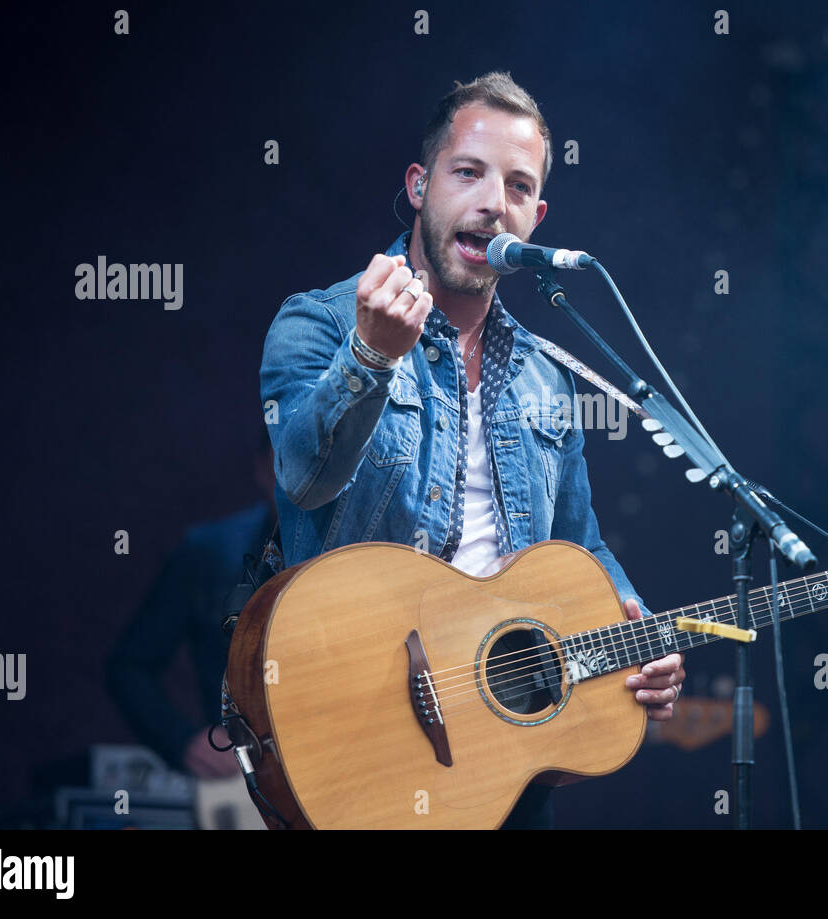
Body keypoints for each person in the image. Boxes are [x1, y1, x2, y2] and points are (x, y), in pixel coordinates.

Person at [259, 71, 684, 828]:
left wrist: (639, 629)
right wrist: (370, 357)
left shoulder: (550, 374)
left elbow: (580, 545)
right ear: (420, 186)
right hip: (364, 727)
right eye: (469, 173)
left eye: (519, 186)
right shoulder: (320, 322)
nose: (494, 201)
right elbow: (304, 479)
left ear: (537, 216)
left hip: (508, 735)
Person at [106, 431, 277, 781]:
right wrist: (182, 741)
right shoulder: (207, 552)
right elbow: (129, 666)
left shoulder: (358, 556)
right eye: (293, 459)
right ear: (263, 467)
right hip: (242, 787)